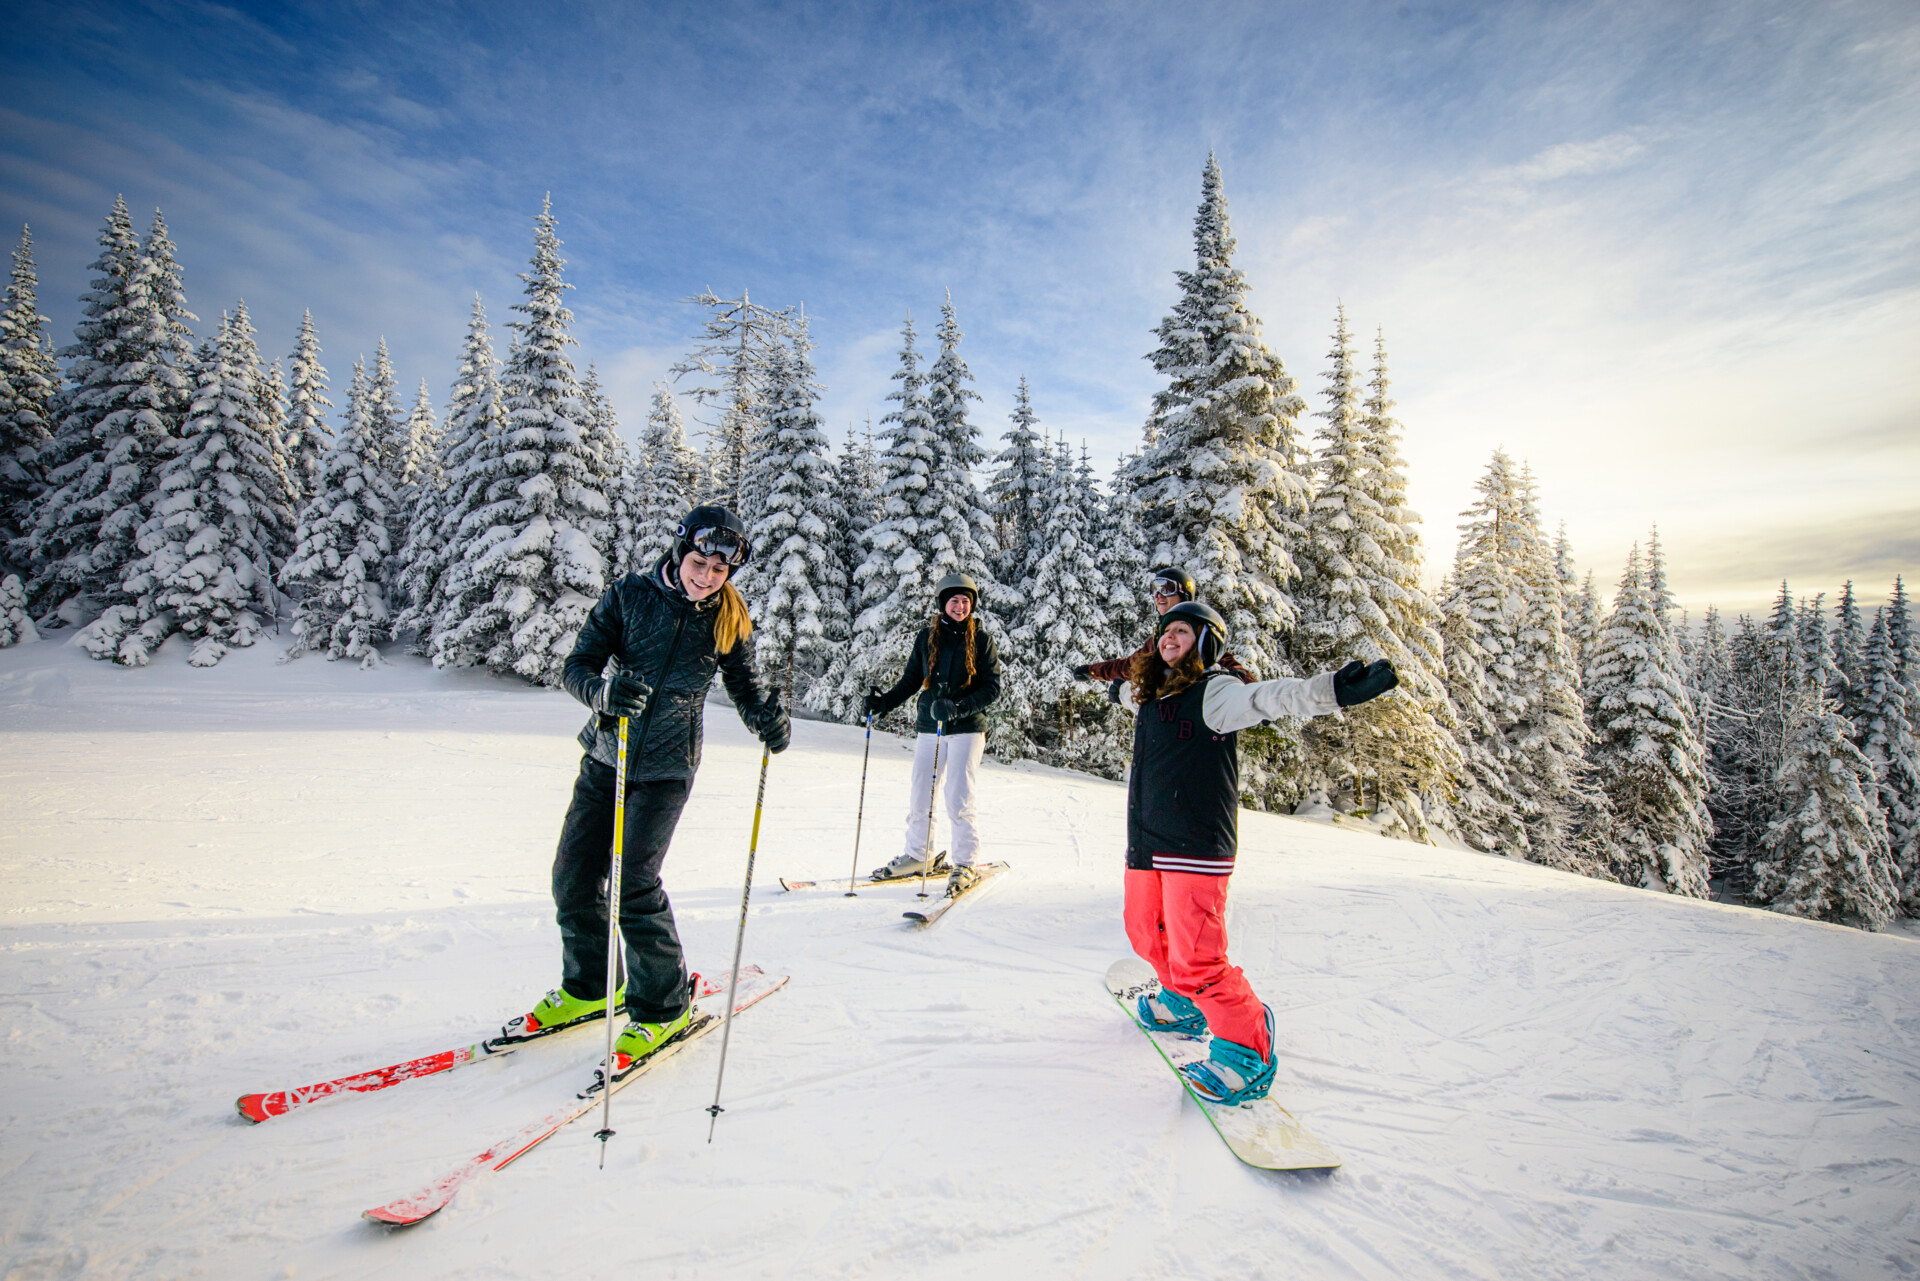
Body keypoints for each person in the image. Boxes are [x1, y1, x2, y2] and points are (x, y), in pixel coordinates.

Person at [502, 504, 791, 1069]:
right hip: (609, 754)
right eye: (699, 562)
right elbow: (578, 665)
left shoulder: (727, 617)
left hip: (667, 766)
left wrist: (767, 720)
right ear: (679, 551)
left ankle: (663, 1009)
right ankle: (590, 987)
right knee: (574, 875)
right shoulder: (629, 595)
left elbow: (745, 686)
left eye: (718, 570)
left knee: (635, 884)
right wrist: (601, 693)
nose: (706, 576)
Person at [1120, 600, 1397, 1104]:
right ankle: (1182, 1001)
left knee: (1198, 958)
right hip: (1147, 843)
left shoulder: (1216, 694)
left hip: (1195, 847)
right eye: (1164, 632)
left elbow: (1274, 698)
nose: (1168, 638)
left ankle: (1247, 1046)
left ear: (1205, 643)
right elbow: (1119, 681)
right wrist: (1090, 673)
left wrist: (1333, 690)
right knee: (1144, 933)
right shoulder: (1146, 694)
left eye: (1181, 631)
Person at [863, 572, 1003, 897]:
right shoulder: (927, 637)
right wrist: (885, 702)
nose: (960, 606)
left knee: (958, 797)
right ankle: (917, 856)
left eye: (966, 601)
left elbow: (991, 688)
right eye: (954, 600)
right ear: (943, 603)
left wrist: (957, 707)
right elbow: (912, 679)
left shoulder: (981, 640)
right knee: (921, 795)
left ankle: (965, 862)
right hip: (930, 727)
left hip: (966, 729)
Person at [1074, 565, 1252, 685]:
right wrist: (1092, 671)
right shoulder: (1159, 639)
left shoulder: (1199, 629)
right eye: (1155, 590)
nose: (1159, 596)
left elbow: (1223, 658)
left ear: (1184, 594)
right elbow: (1130, 667)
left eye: (1166, 589)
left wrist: (1245, 685)